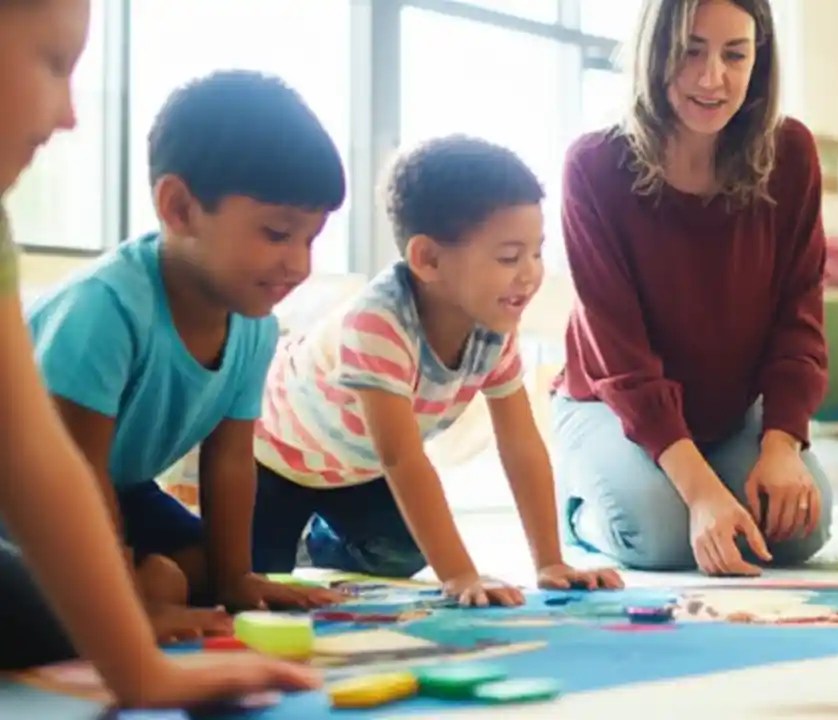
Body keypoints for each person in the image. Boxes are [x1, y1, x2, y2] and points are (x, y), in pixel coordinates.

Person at [0, 0, 325, 707]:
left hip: (105, 488)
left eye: (311, 239)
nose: (69, 116)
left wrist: (224, 592)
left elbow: (49, 464)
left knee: (202, 570)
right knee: (52, 606)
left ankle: (150, 586)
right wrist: (120, 613)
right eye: (54, 65)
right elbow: (62, 463)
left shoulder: (254, 321)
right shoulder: (104, 306)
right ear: (178, 209)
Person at [252, 135, 623, 607]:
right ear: (427, 259)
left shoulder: (492, 327)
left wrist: (550, 561)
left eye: (536, 252)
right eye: (509, 257)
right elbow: (402, 460)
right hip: (273, 457)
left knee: (401, 552)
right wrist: (460, 576)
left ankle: (315, 545)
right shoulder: (377, 325)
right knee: (259, 583)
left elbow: (520, 442)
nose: (530, 273)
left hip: (353, 468)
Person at [552, 0, 832, 577]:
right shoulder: (593, 166)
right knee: (661, 540)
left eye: (735, 54)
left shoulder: (792, 155)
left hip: (730, 409)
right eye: (690, 52)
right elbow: (619, 355)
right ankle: (580, 511)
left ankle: (698, 483)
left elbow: (800, 313)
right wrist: (702, 494)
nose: (713, 78)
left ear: (760, 59)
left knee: (801, 528)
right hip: (611, 404)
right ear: (655, 54)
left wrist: (781, 445)